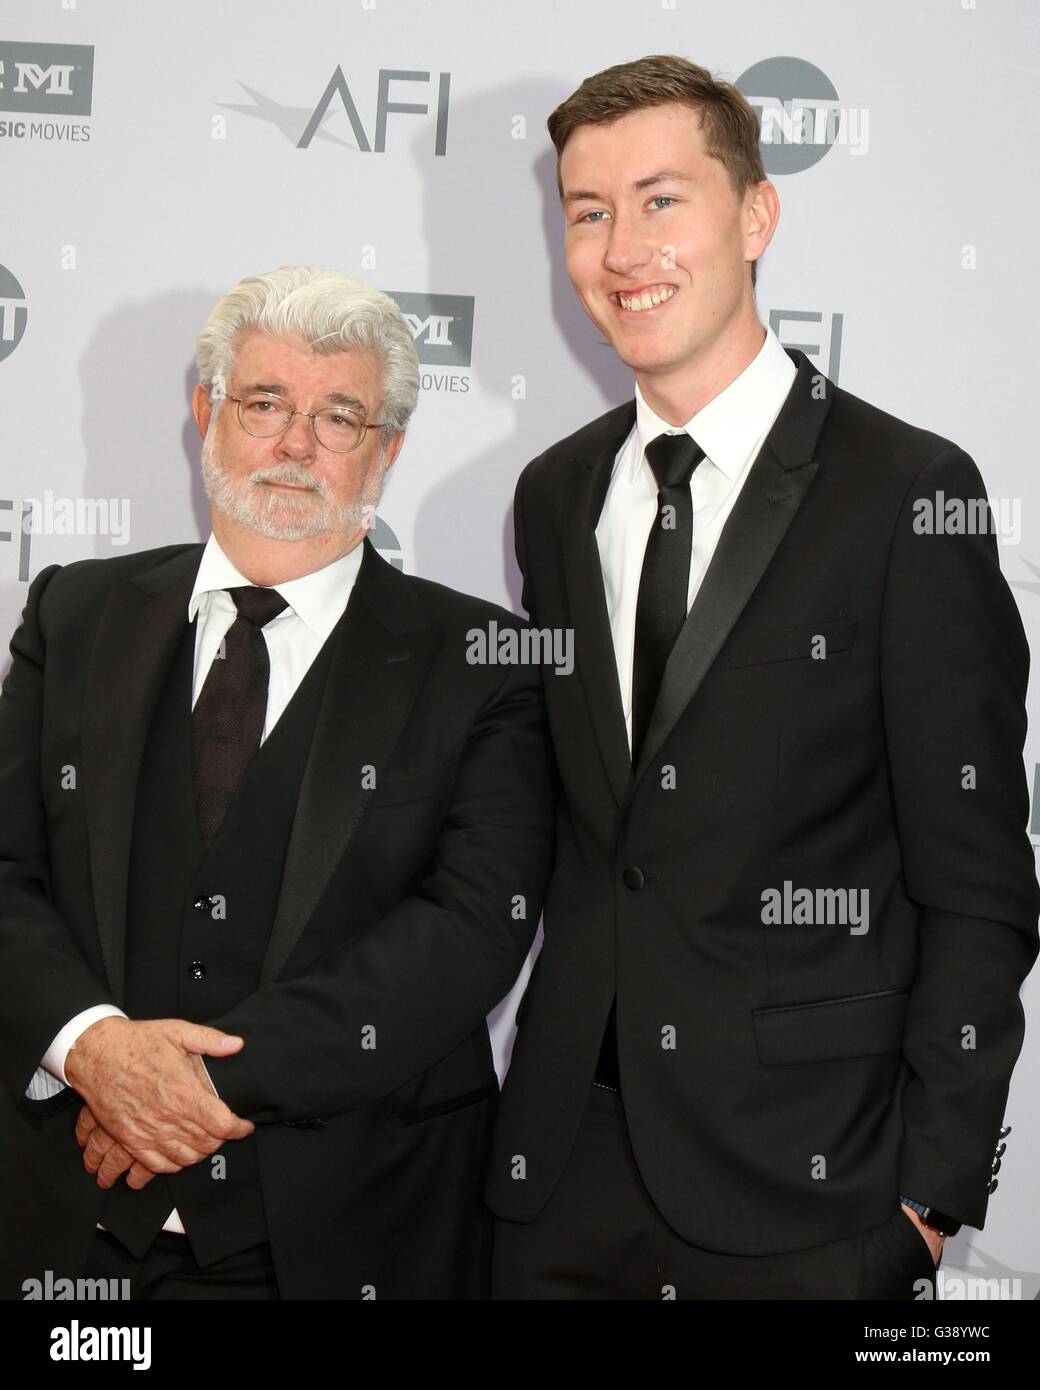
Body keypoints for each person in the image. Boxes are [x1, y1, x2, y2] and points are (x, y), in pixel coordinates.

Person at [484, 54, 1039, 1299]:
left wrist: (928, 1197)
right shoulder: (554, 495)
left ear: (755, 216)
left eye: (661, 199)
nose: (622, 248)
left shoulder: (907, 492)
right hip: (558, 1181)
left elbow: (977, 881)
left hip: (812, 1194)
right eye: (586, 212)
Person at [0, 265, 554, 1300]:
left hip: (345, 1235)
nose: (295, 444)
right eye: (264, 403)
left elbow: (471, 929)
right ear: (206, 412)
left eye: (339, 416)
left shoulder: (484, 659)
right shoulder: (75, 613)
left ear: (385, 450)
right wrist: (91, 1049)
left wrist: (185, 1086)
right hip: (60, 1221)